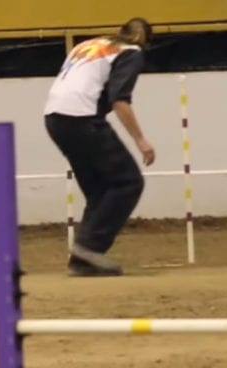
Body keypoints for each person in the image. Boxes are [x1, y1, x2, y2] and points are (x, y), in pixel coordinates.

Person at [43, 17, 155, 277]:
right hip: (81, 118)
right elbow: (119, 100)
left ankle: (82, 261)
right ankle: (89, 248)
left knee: (99, 190)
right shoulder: (131, 51)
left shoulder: (86, 45)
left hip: (54, 118)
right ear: (145, 41)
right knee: (128, 182)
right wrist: (141, 140)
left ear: (120, 31)